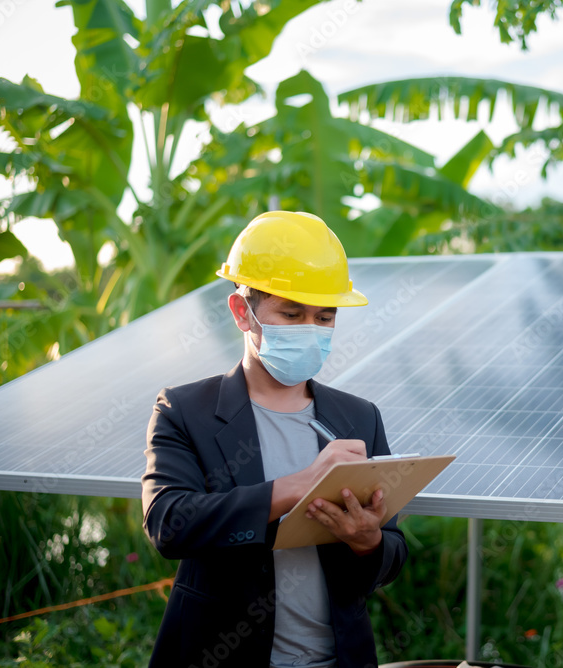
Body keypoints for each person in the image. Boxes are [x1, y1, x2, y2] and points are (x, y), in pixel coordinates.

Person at [141, 211, 408, 668]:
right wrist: (297, 486)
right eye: (291, 313)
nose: (311, 328)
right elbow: (169, 523)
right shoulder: (185, 411)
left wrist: (367, 542)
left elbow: (393, 551)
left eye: (325, 317)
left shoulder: (359, 417)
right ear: (243, 312)